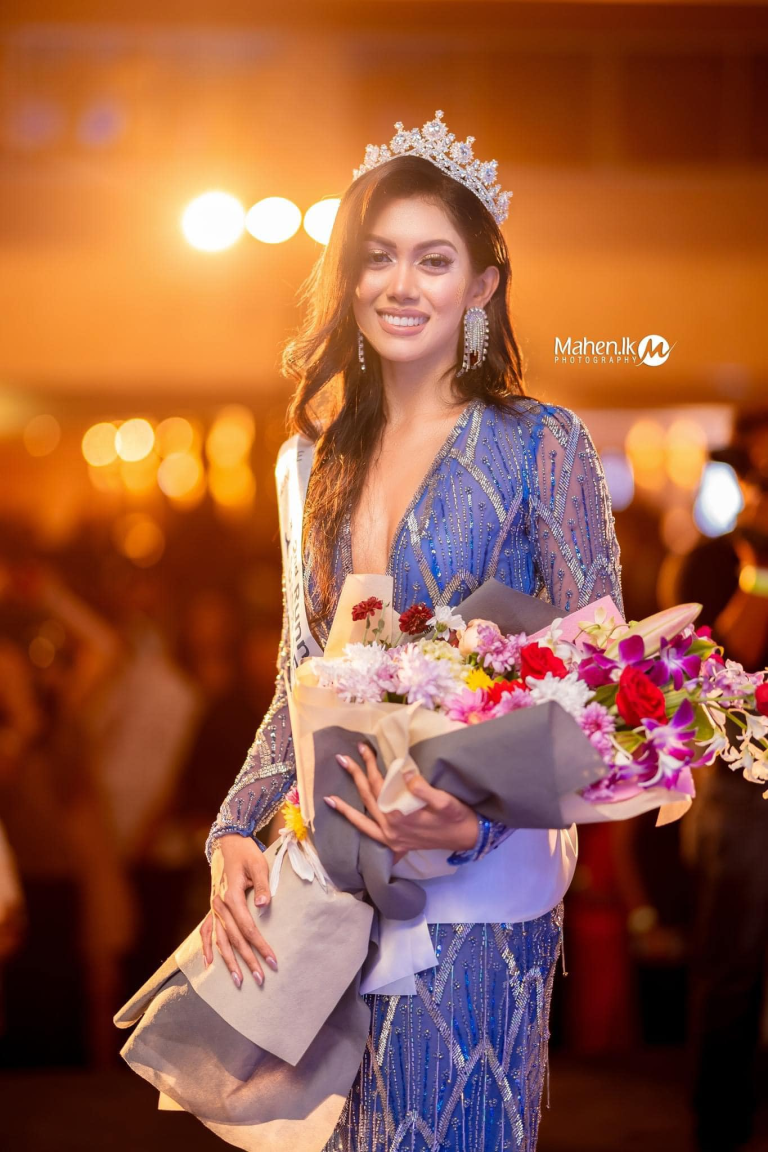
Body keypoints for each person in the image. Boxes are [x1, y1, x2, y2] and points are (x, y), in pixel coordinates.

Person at [200, 110, 624, 1151]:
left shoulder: (541, 445)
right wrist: (233, 831)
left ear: (481, 286)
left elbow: (606, 687)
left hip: (485, 895)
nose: (402, 284)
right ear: (348, 277)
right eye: (379, 256)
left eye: (434, 260)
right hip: (333, 883)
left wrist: (476, 827)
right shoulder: (308, 462)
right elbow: (301, 676)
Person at [670, 411, 768, 1152]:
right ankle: (720, 1129)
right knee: (734, 967)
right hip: (742, 790)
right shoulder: (709, 562)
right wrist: (759, 569)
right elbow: (719, 671)